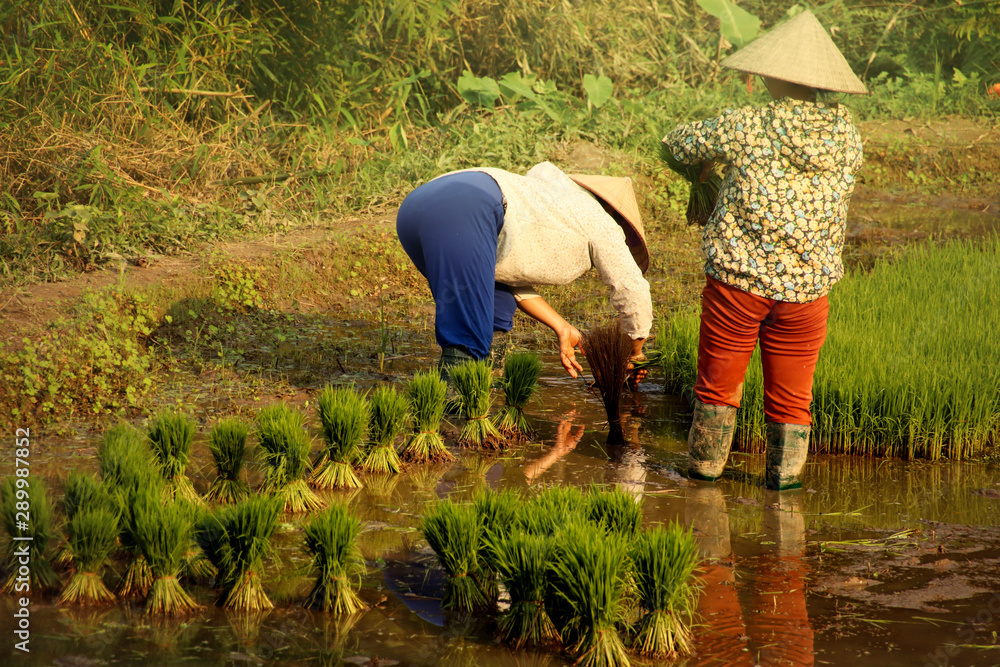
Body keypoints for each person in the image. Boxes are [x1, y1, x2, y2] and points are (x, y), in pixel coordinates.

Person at [661, 10, 866, 490]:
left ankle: (704, 484)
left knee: (717, 387)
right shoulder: (847, 136)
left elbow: (676, 143)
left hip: (739, 284)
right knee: (794, 398)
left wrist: (704, 176)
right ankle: (785, 496)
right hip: (807, 293)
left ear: (772, 73)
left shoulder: (748, 125)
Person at [395, 161, 652, 380]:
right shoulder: (601, 223)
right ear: (616, 216)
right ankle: (454, 423)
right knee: (468, 334)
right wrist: (634, 353)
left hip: (417, 206)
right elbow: (632, 289)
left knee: (496, 304)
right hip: (468, 208)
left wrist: (561, 326)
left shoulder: (552, 203)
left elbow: (510, 277)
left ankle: (484, 397)